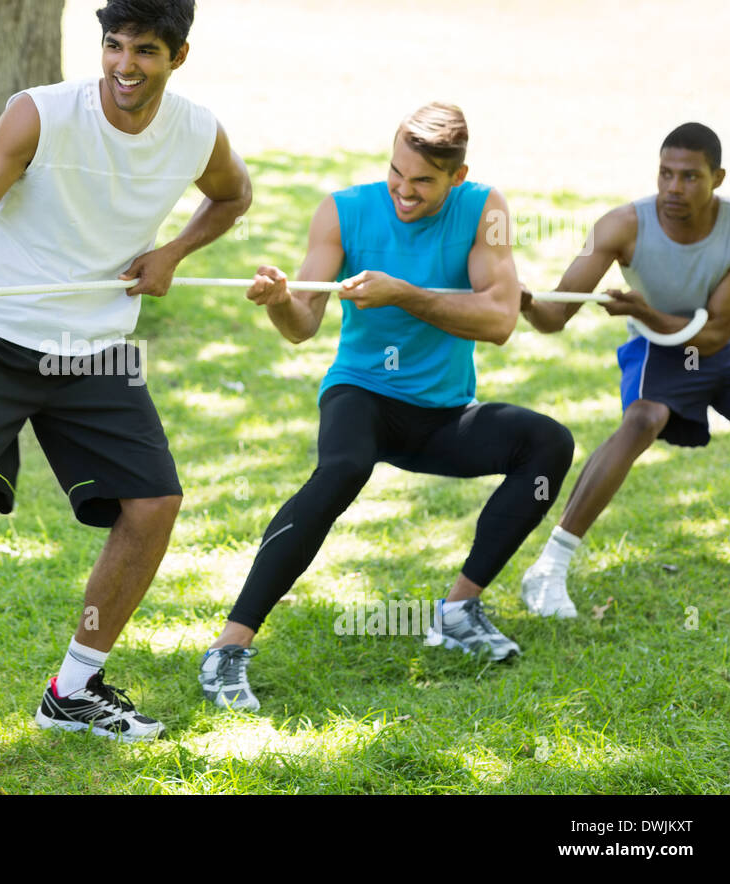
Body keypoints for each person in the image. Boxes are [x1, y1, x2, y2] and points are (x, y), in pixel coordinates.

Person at [0, 0, 251, 785]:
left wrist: (172, 253)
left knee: (155, 504)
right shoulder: (40, 112)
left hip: (98, 348)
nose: (126, 64)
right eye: (114, 44)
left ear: (178, 56)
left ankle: (73, 688)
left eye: (145, 50)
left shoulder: (196, 131)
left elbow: (233, 196)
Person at [199, 103, 574, 711]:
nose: (404, 189)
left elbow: (501, 318)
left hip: (443, 413)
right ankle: (228, 650)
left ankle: (457, 612)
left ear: (458, 175)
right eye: (397, 172)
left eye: (423, 181)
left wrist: (404, 293)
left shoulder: (487, 208)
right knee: (342, 469)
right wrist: (278, 301)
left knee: (548, 442)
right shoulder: (344, 210)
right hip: (363, 395)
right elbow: (302, 326)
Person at [519, 123, 730, 617]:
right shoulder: (622, 225)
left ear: (718, 178)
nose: (673, 188)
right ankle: (549, 569)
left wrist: (642, 310)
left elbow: (714, 335)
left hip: (718, 345)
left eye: (689, 177)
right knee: (642, 421)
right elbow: (554, 317)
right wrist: (525, 301)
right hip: (657, 351)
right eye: (665, 173)